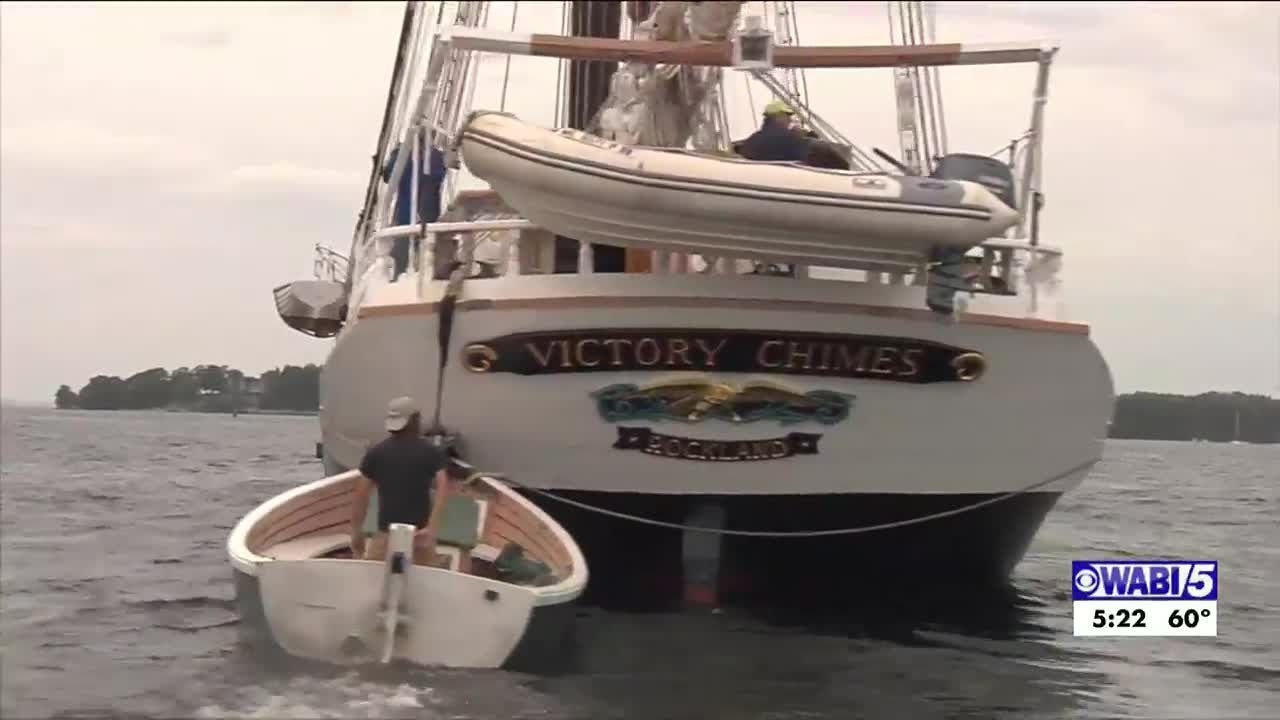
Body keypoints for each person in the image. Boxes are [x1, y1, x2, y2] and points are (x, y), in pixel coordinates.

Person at [349, 396, 451, 566]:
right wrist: (431, 528)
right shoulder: (430, 452)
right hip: (420, 538)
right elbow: (443, 487)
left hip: (385, 537)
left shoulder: (376, 453)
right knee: (423, 586)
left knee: (373, 585)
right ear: (414, 420)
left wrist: (356, 533)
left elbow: (361, 495)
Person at [732, 100, 811, 163]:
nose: (790, 119)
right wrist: (800, 137)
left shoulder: (752, 140)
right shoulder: (791, 139)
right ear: (777, 116)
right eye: (787, 115)